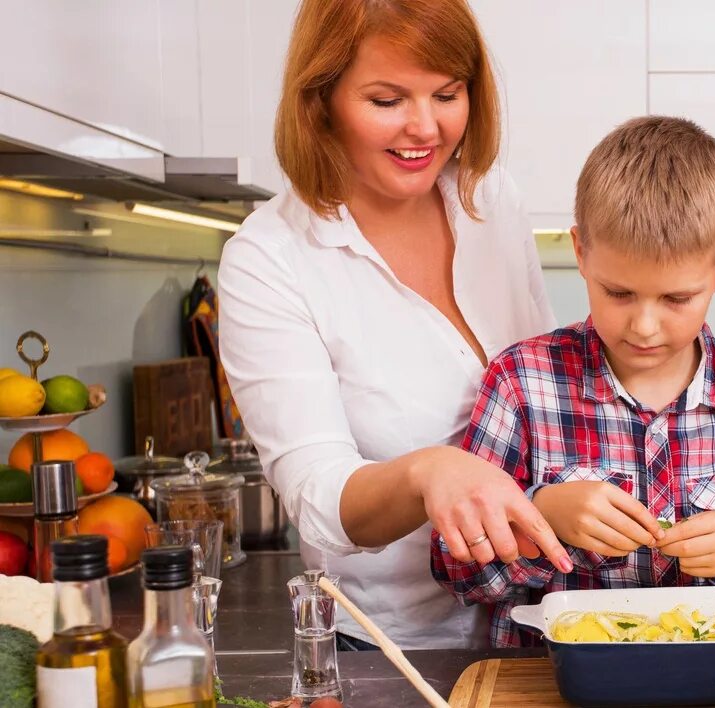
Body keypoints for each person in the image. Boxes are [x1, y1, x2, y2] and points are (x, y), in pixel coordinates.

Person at [217, 0, 572, 650]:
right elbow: (316, 494)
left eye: (447, 93)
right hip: (397, 651)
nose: (425, 127)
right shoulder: (270, 258)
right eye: (386, 100)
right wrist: (427, 472)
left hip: (539, 621)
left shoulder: (490, 197)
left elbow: (551, 394)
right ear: (320, 98)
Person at [432, 116, 715, 647]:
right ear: (580, 253)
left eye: (676, 299)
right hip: (547, 685)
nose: (643, 326)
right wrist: (539, 518)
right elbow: (454, 569)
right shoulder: (521, 384)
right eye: (618, 293)